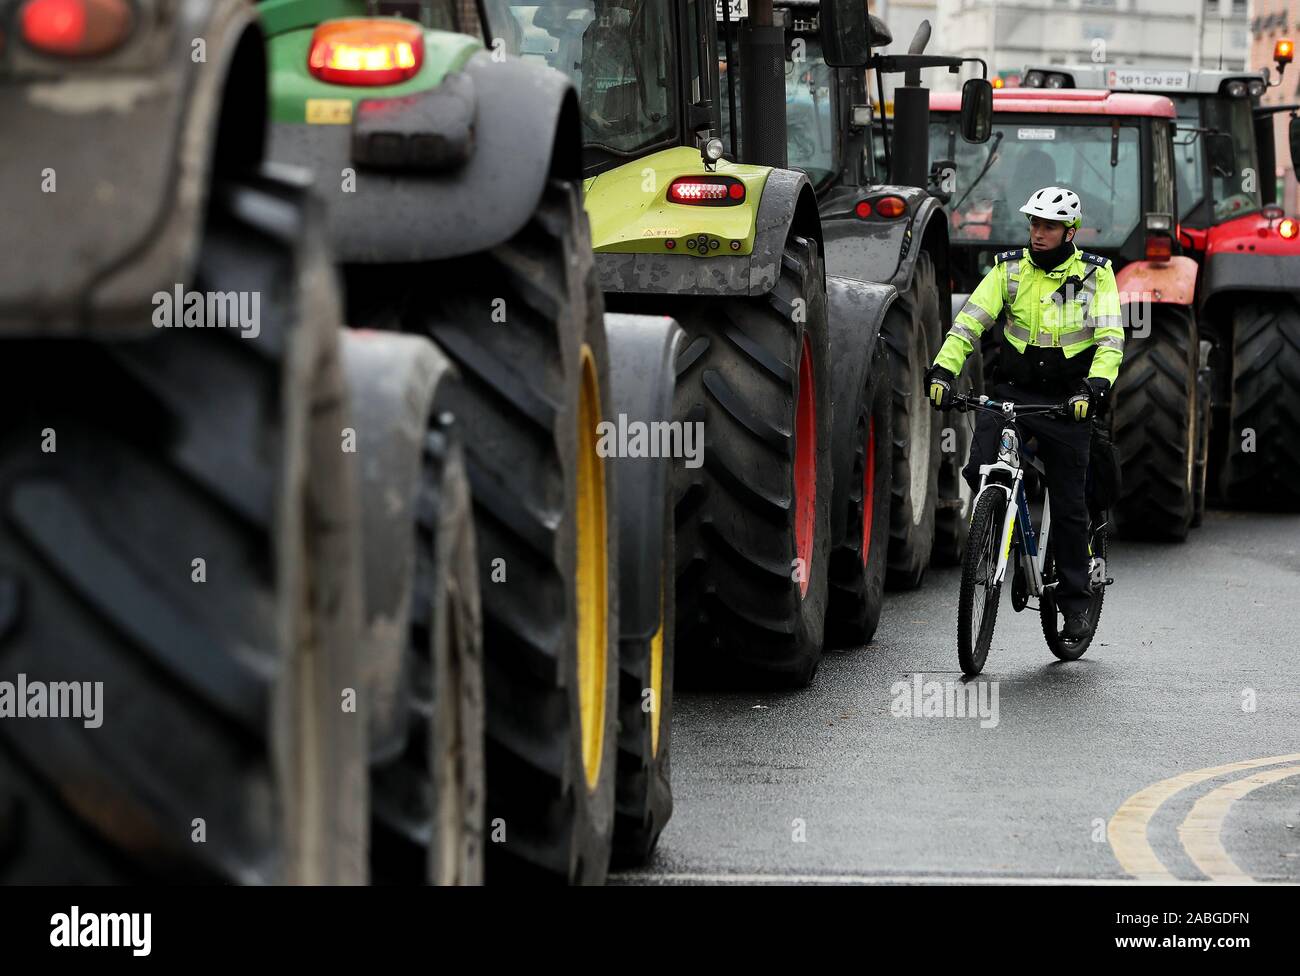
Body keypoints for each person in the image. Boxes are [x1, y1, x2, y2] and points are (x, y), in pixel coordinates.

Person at [924, 186, 1124, 641]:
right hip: (1013, 392)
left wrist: (1093, 388)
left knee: (1071, 506)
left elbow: (1111, 339)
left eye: (1049, 226)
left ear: (1069, 231)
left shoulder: (1097, 275)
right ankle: (1001, 524)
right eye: (1034, 223)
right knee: (980, 469)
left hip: (1067, 401)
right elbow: (970, 322)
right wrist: (942, 370)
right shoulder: (1008, 269)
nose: (1038, 232)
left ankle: (1074, 603)